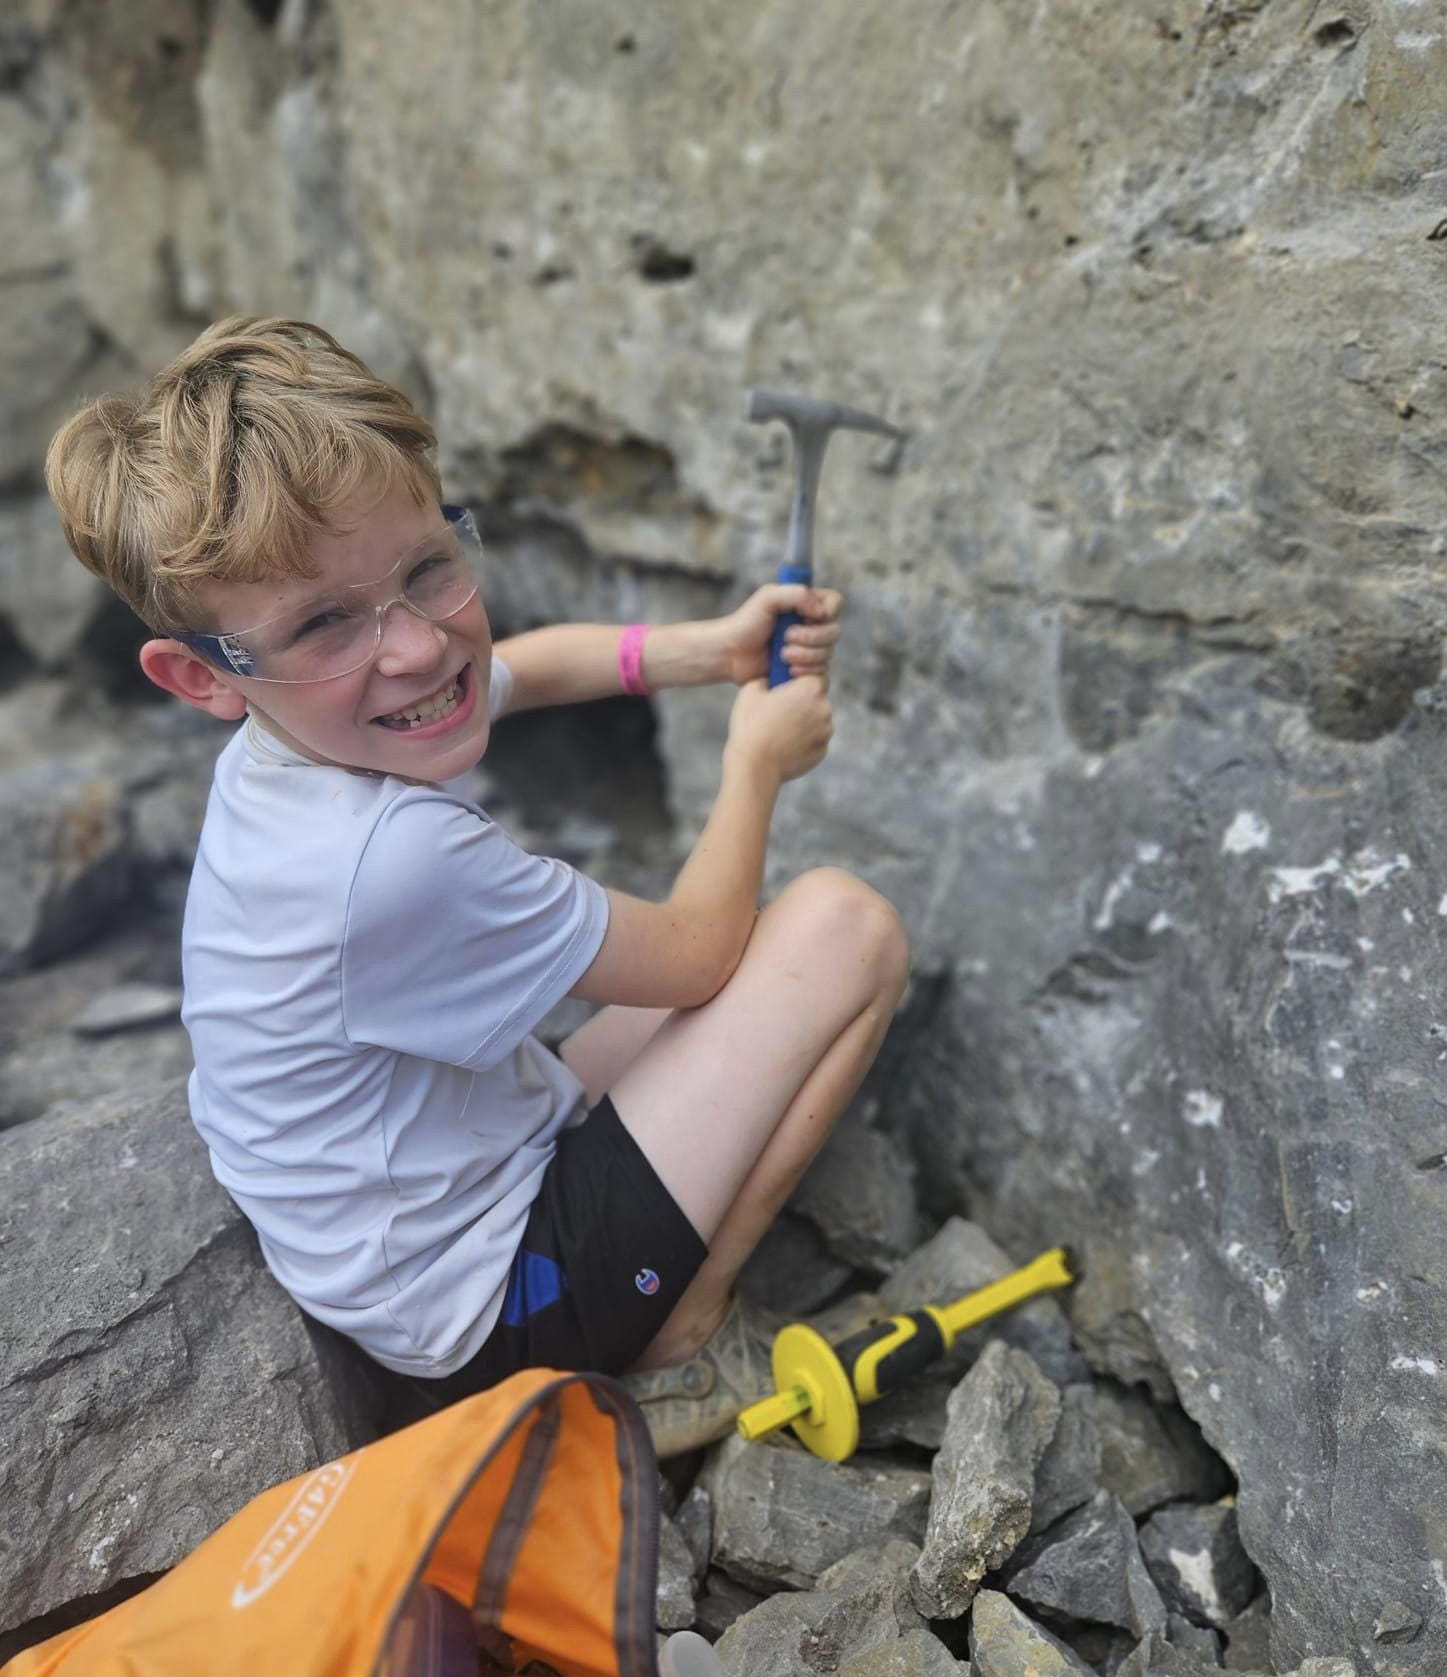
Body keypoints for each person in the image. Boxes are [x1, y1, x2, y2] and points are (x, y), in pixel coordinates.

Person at [43, 316, 910, 1454]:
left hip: (423, 1224)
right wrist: (756, 763)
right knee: (843, 928)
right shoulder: (390, 861)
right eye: (323, 621)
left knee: (754, 956)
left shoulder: (300, 735)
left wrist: (716, 647)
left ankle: (646, 1272)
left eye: (426, 569)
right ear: (199, 678)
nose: (414, 648)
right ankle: (675, 1333)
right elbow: (698, 950)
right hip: (492, 1311)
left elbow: (521, 666)